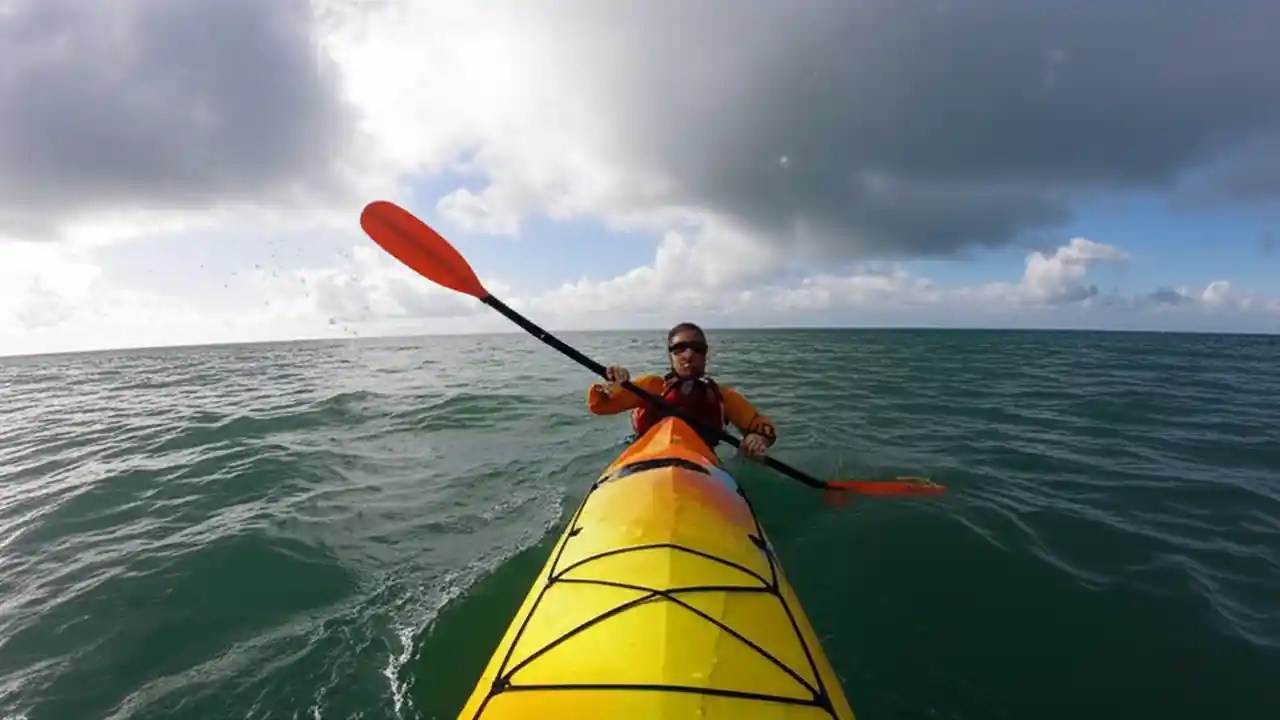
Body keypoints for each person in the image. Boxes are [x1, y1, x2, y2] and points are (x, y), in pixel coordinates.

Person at [586, 322, 777, 460]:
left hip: (700, 464)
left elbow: (761, 425)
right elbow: (600, 406)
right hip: (646, 459)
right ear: (670, 355)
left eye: (697, 348)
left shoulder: (722, 397)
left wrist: (757, 438)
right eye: (679, 348)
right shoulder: (652, 387)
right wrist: (610, 384)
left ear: (706, 354)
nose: (688, 354)